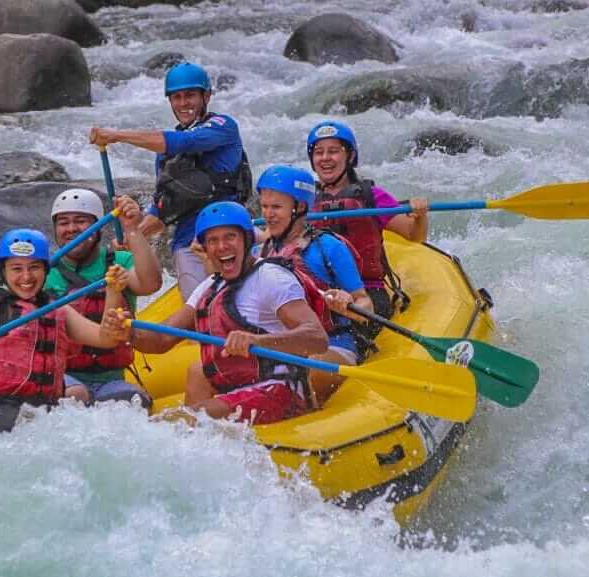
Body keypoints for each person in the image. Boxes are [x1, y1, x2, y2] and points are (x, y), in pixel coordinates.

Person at [127, 201, 329, 425]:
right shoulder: (211, 287)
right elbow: (162, 338)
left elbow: (317, 339)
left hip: (279, 391)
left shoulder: (272, 278)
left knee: (180, 421)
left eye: (230, 237)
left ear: (246, 240)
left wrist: (257, 340)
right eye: (213, 240)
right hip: (237, 388)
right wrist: (128, 333)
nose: (222, 246)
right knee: (198, 376)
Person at [0, 228, 130, 433]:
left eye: (34, 267)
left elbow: (106, 338)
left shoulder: (58, 310)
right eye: (16, 268)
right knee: (17, 421)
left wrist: (113, 291)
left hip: (44, 411)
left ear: (45, 271)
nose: (26, 277)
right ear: (4, 271)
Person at [88, 62, 252, 301]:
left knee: (240, 306)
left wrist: (117, 135)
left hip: (230, 237)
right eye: (177, 97)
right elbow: (161, 211)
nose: (184, 103)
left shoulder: (223, 127)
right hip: (189, 244)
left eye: (190, 96)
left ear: (206, 96)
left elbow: (185, 142)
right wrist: (133, 234)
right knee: (203, 309)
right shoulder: (165, 154)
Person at [255, 165, 375, 402]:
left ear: (299, 208)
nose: (268, 215)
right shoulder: (261, 252)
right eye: (265, 207)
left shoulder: (328, 247)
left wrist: (349, 303)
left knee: (310, 364)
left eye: (276, 207)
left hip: (332, 347)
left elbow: (366, 307)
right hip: (282, 346)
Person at [306, 120, 429, 347]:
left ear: (350, 156)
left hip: (368, 293)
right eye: (319, 152)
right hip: (320, 293)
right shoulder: (304, 200)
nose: (325, 158)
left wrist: (420, 215)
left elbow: (414, 235)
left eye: (333, 151)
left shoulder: (372, 197)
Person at [47, 189, 161, 408]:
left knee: (134, 403)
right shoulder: (43, 272)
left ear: (98, 226)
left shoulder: (119, 262)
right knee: (74, 396)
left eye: (80, 221)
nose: (71, 229)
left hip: (111, 380)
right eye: (63, 222)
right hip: (61, 376)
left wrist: (131, 229)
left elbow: (150, 283)